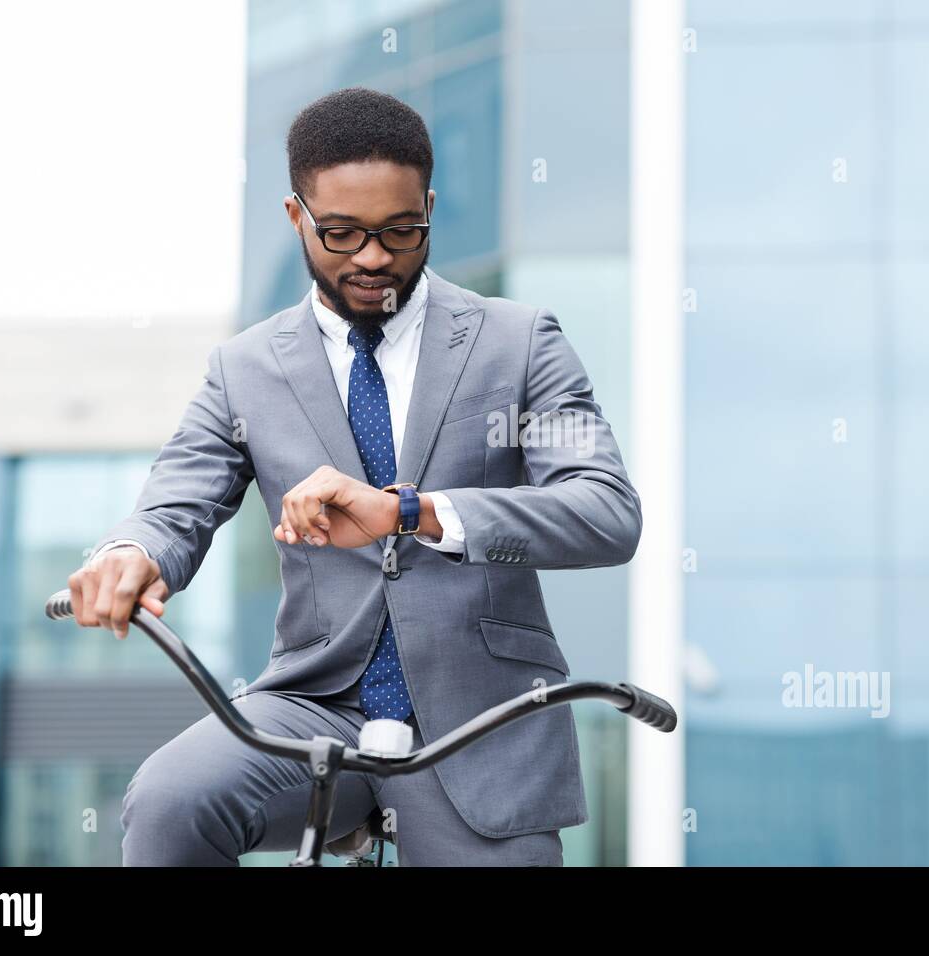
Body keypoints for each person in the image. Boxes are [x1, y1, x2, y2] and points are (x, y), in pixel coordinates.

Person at [66, 87, 641, 866]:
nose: (373, 258)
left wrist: (412, 511)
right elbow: (176, 502)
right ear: (296, 216)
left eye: (401, 230)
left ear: (430, 207)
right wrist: (129, 552)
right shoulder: (243, 371)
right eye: (341, 233)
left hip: (480, 720)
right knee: (171, 801)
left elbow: (604, 510)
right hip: (314, 708)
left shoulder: (522, 344)